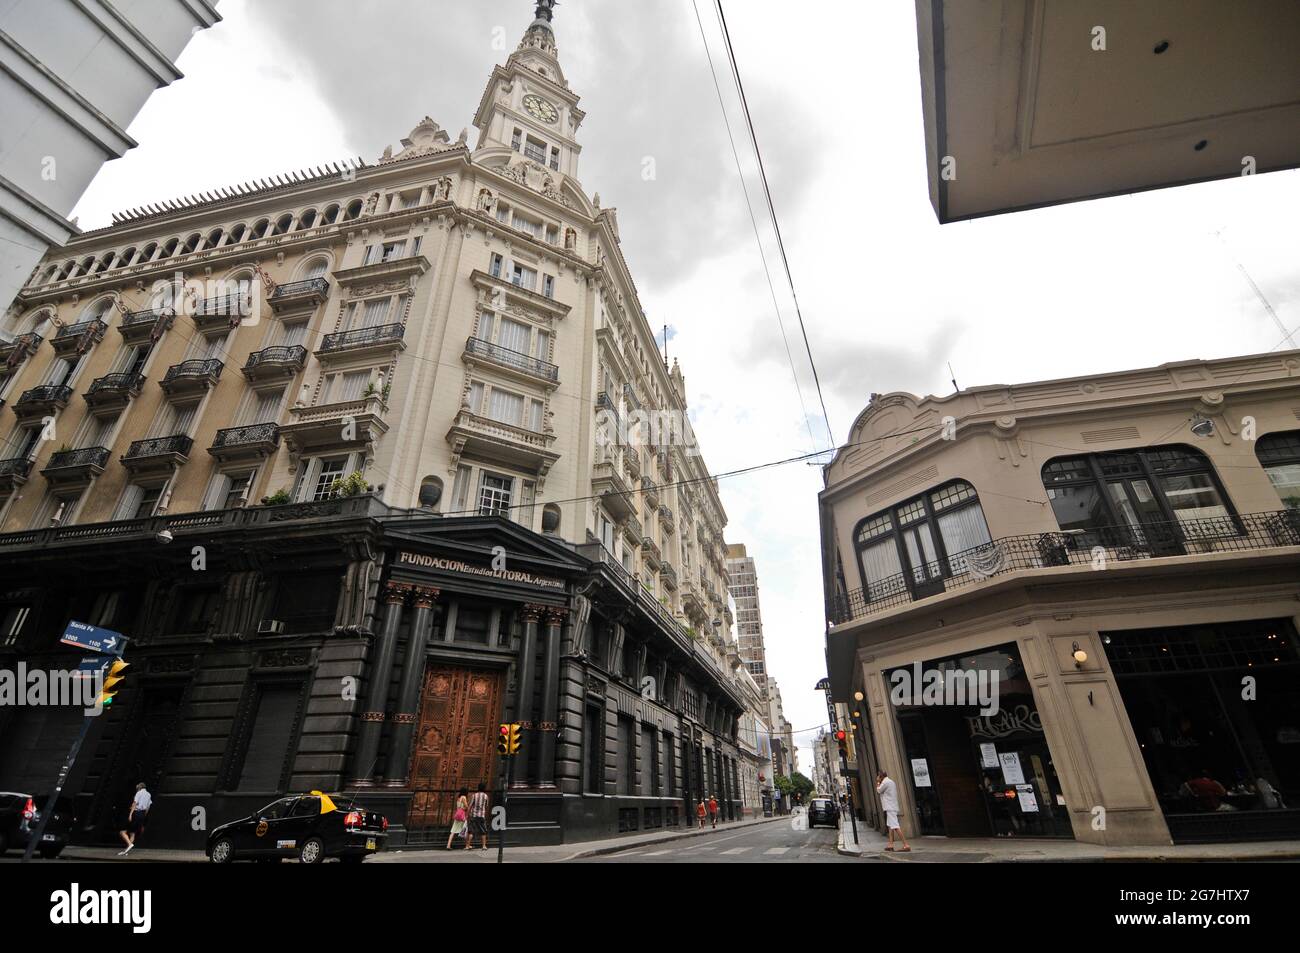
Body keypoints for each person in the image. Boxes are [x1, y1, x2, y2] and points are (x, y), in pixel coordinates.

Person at [876, 770, 910, 853]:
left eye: (878, 777)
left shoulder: (884, 782)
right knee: (890, 826)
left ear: (881, 777)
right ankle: (890, 844)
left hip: (890, 807)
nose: (878, 778)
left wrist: (878, 782)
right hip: (892, 806)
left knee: (895, 826)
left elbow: (879, 791)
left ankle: (906, 845)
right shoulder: (891, 781)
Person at [117, 781, 151, 856]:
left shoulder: (139, 793)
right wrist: (144, 816)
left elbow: (135, 803)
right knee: (133, 833)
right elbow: (148, 807)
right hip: (142, 814)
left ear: (139, 788)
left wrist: (130, 814)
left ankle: (129, 844)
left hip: (136, 813)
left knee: (122, 832)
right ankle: (127, 851)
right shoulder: (149, 794)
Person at [468, 782, 490, 850]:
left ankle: (468, 845)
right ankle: (483, 846)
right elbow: (486, 805)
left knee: (471, 830)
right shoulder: (486, 796)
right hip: (481, 815)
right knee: (483, 831)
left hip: (474, 815)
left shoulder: (474, 795)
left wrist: (468, 814)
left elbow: (470, 805)